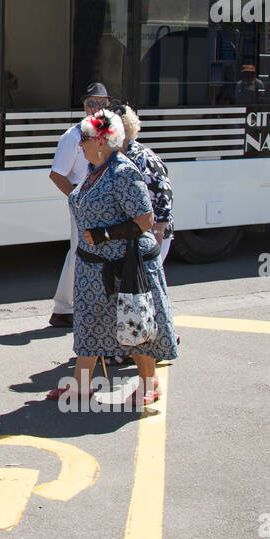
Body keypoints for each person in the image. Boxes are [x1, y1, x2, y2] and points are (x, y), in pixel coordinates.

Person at [45, 108, 178, 407]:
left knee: (134, 325)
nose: (80, 145)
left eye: (85, 139)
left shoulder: (123, 172)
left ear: (102, 142)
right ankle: (80, 387)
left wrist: (105, 234)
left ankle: (148, 384)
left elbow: (145, 219)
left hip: (125, 267)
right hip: (95, 267)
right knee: (89, 324)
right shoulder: (96, 170)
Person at [47, 83, 112, 328]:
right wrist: (79, 200)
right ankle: (64, 309)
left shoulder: (107, 134)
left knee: (94, 255)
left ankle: (83, 307)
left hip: (104, 204)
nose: (96, 108)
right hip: (84, 203)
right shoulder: (73, 137)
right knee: (79, 254)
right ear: (84, 106)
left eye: (102, 104)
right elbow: (57, 175)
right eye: (91, 103)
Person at [117, 102, 175, 266]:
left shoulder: (144, 157)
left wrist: (154, 247)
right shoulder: (114, 156)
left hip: (148, 238)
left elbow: (163, 200)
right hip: (129, 237)